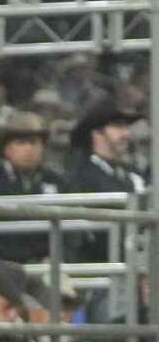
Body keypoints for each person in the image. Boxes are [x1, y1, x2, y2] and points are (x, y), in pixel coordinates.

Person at [0, 111, 65, 264]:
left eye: (33, 142)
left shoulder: (59, 182)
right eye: (20, 142)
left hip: (49, 266)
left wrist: (59, 257)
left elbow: (73, 229)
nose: (28, 149)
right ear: (6, 149)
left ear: (42, 147)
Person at [60, 104, 144, 266]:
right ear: (97, 133)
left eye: (126, 127)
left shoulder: (132, 173)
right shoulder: (80, 175)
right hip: (98, 266)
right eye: (117, 126)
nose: (126, 134)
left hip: (133, 264)